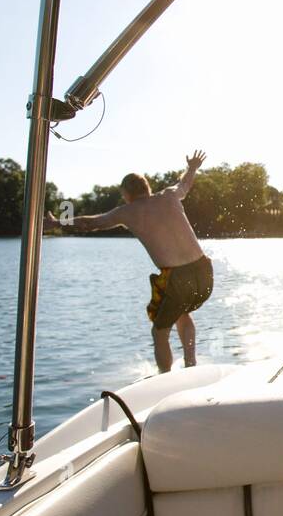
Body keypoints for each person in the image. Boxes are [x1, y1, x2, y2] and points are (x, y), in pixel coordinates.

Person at [45, 150, 213, 373]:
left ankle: (165, 377)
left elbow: (91, 223)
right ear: (147, 188)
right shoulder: (169, 195)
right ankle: (191, 365)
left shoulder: (128, 211)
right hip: (204, 272)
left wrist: (57, 222)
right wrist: (192, 167)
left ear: (126, 194)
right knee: (182, 313)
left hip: (178, 277)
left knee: (160, 331)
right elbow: (185, 183)